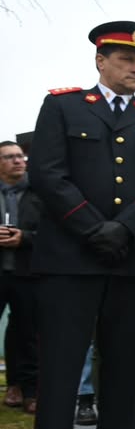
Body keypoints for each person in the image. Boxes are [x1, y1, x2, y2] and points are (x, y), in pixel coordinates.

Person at [11, 21, 135, 429]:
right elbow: (47, 173)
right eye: (127, 59)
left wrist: (124, 229)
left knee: (124, 368)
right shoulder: (63, 106)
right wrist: (92, 228)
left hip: (130, 259)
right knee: (61, 367)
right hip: (70, 259)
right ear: (101, 61)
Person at [1, 141, 41, 415]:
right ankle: (12, 385)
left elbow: (55, 233)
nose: (18, 160)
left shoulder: (40, 192)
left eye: (20, 156)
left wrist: (25, 238)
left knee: (27, 332)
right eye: (10, 157)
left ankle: (29, 390)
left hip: (27, 271)